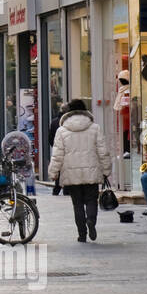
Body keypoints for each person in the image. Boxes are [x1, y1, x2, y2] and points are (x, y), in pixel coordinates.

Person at [47, 99, 112, 243]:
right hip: (92, 171)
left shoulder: (61, 131)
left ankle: (82, 234)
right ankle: (91, 221)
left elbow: (57, 155)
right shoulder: (95, 128)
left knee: (77, 204)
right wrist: (106, 169)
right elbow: (103, 151)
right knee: (91, 200)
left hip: (72, 174)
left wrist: (53, 172)